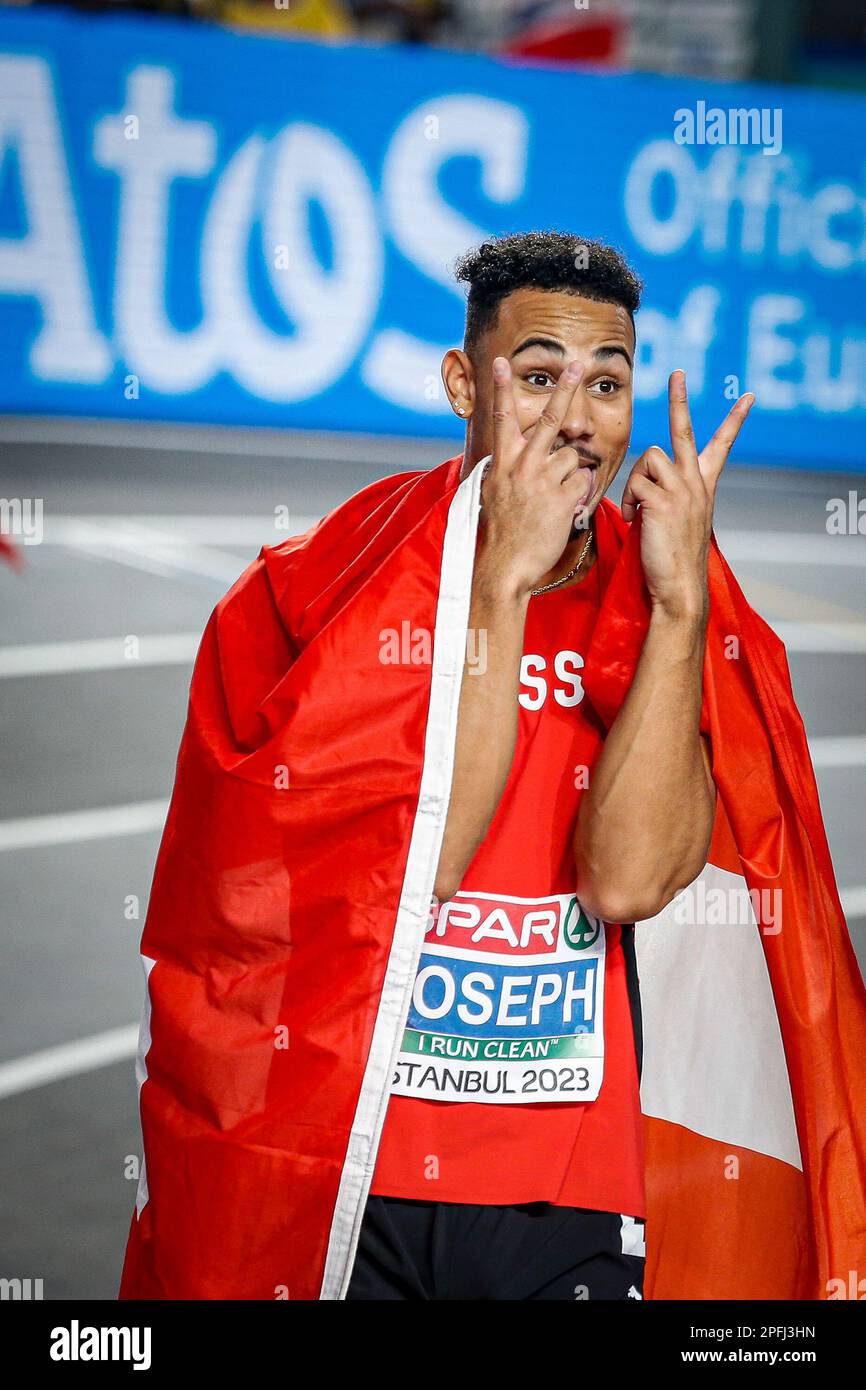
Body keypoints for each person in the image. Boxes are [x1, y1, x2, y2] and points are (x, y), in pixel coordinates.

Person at [119, 230, 866, 1303]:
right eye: (538, 375)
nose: (574, 417)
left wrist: (676, 610)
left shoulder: (663, 604)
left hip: (565, 1190)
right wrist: (500, 589)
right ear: (463, 383)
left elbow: (625, 880)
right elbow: (419, 859)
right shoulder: (324, 593)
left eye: (606, 382)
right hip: (352, 1162)